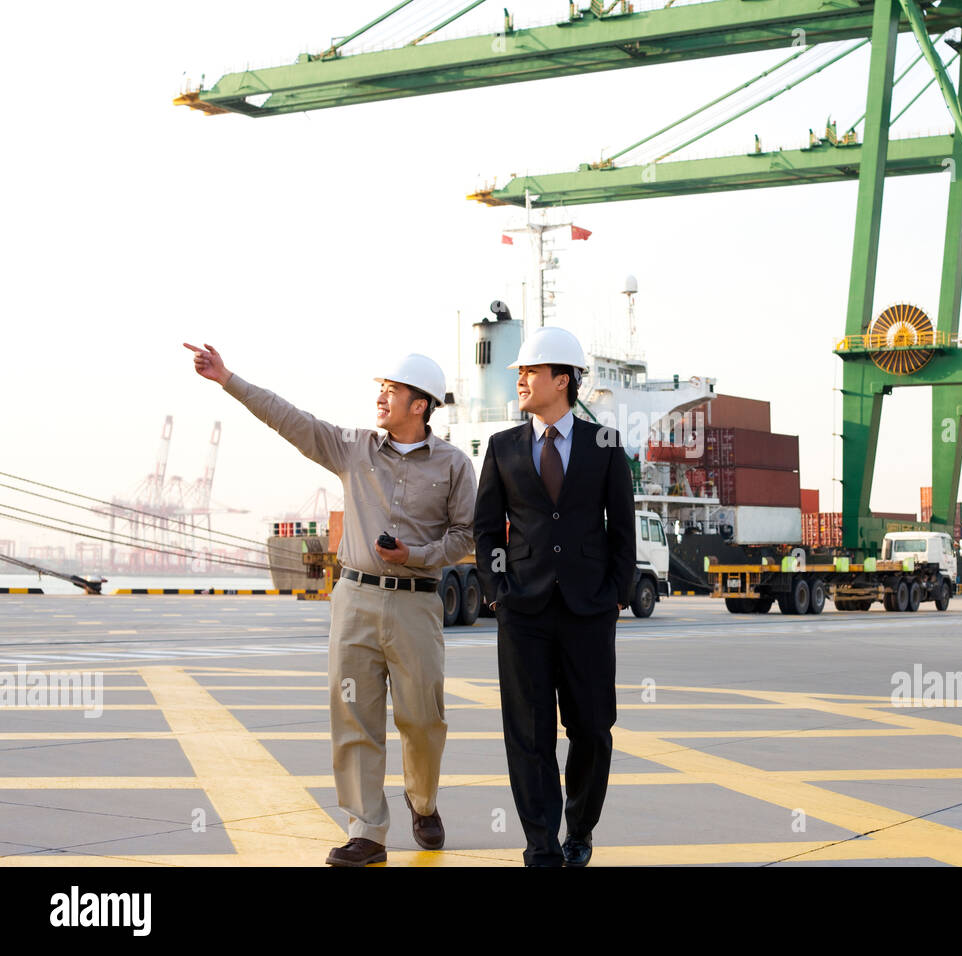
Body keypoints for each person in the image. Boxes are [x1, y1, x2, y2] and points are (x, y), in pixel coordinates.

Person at [185, 342, 476, 866]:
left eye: (393, 390)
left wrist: (417, 553)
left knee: (422, 719)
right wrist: (229, 379)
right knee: (353, 717)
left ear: (421, 405)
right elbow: (290, 419)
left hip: (416, 604)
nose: (382, 397)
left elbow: (463, 537)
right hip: (355, 599)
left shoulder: (454, 464)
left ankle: (423, 799)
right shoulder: (352, 447)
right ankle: (367, 829)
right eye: (381, 388)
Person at [472, 327, 635, 867]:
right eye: (519, 371)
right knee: (528, 733)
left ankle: (579, 831)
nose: (519, 380)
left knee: (592, 728)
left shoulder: (606, 446)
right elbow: (486, 530)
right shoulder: (502, 448)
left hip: (589, 611)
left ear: (561, 380)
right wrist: (498, 592)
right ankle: (540, 844)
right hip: (523, 612)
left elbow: (622, 530)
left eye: (530, 372)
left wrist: (615, 593)